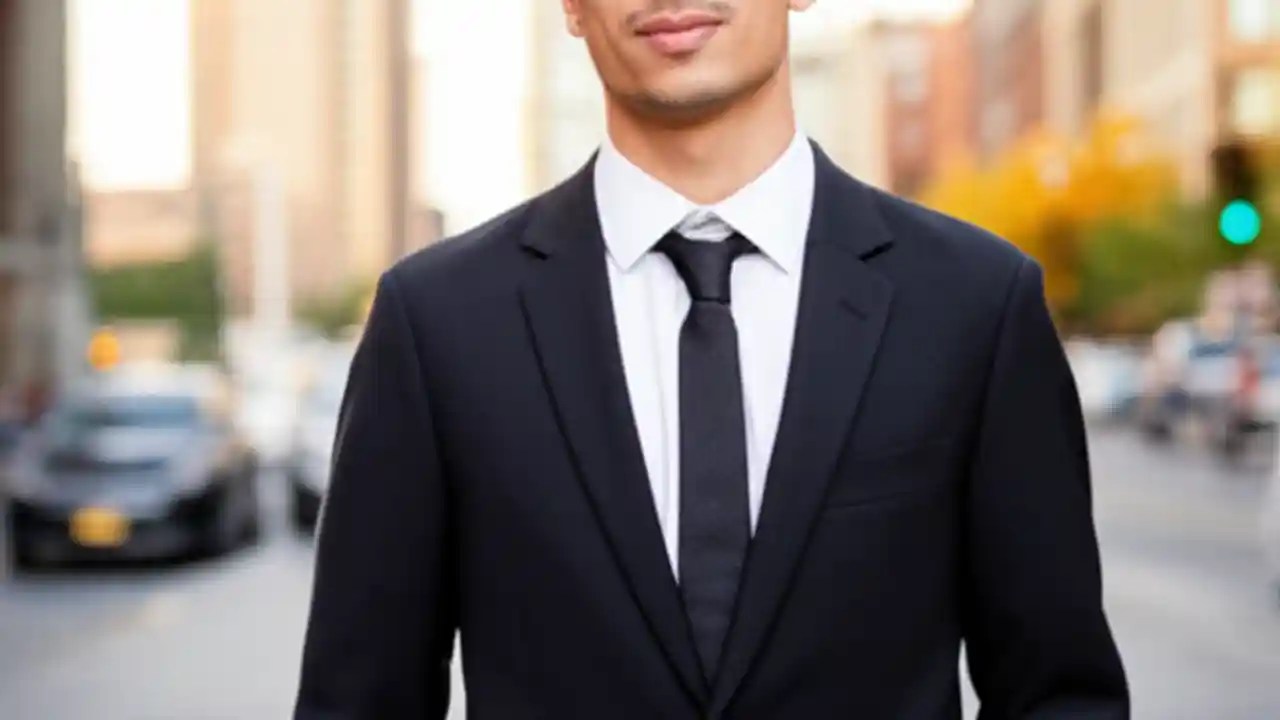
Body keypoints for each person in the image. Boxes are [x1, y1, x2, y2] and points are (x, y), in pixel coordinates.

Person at [293, 1, 1128, 718]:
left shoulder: (975, 304)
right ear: (570, 6)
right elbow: (361, 700)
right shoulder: (436, 323)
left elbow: (1057, 693)